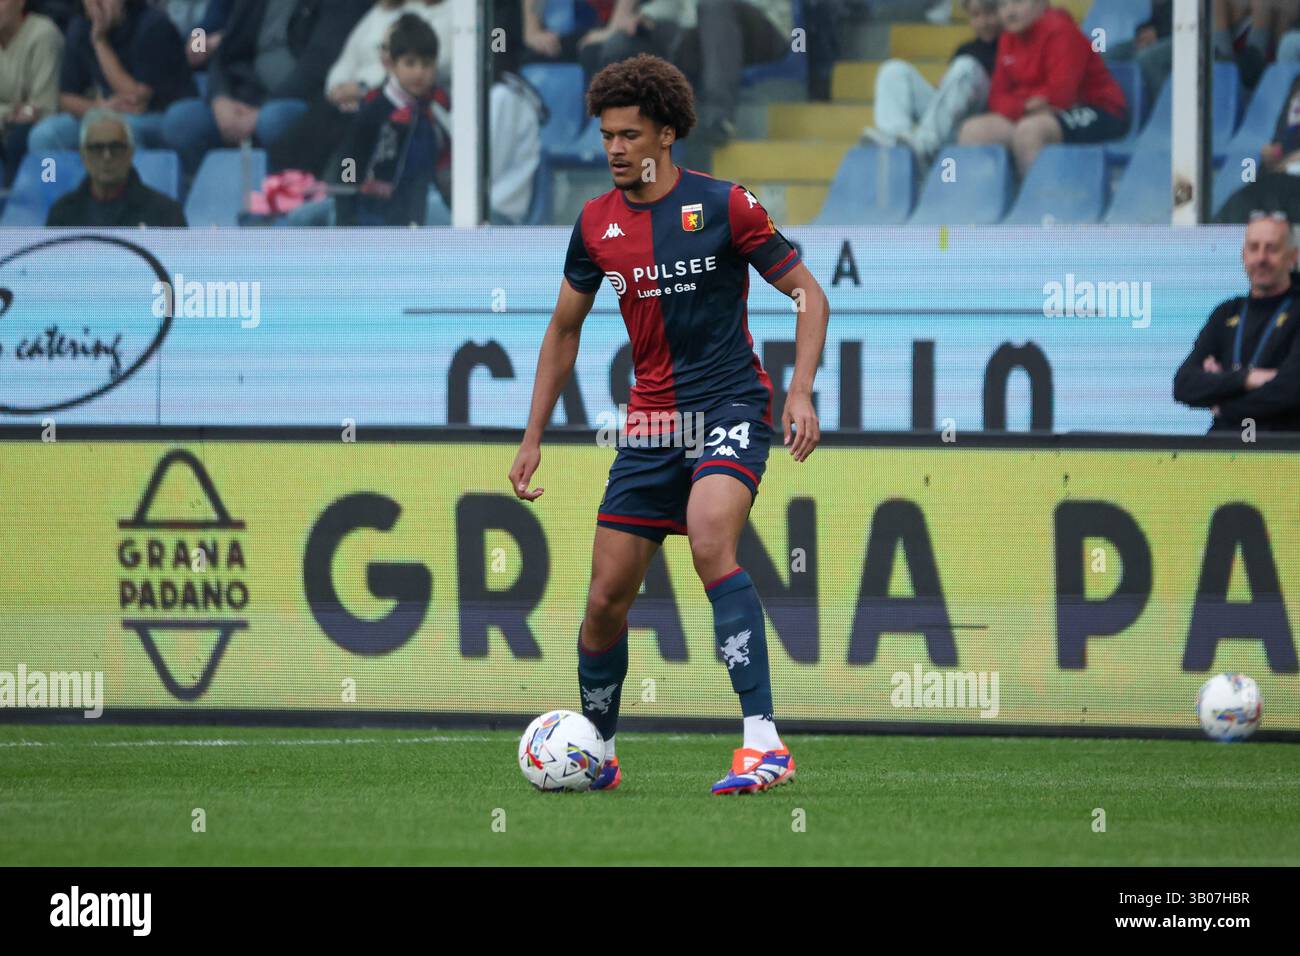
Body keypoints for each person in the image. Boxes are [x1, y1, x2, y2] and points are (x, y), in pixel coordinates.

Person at [507, 53, 829, 795]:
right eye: (606, 136)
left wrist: (802, 389)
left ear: (667, 134)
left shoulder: (726, 207)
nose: (616, 149)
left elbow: (808, 294)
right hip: (652, 424)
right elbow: (563, 331)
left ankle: (763, 744)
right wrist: (532, 436)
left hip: (730, 407)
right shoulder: (594, 226)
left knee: (713, 538)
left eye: (629, 134)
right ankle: (599, 750)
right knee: (604, 599)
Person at [161, 0, 369, 173]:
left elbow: (318, 64)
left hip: (302, 103)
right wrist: (220, 99)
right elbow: (222, 49)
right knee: (181, 121)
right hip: (243, 95)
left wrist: (259, 114)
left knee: (274, 119)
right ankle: (214, 203)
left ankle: (279, 202)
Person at [957, 0, 1128, 177]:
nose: (1009, 12)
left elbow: (1061, 95)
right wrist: (1023, 106)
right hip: (1033, 113)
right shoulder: (1008, 38)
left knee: (1030, 132)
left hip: (1099, 109)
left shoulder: (1062, 31)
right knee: (973, 131)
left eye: (1017, 2)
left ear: (1041, 3)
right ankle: (984, 204)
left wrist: (1022, 102)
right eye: (1002, 5)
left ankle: (1039, 201)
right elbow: (996, 96)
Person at [1174, 212, 1300, 432]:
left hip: (1282, 454)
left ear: (1293, 256)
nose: (1261, 258)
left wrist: (1224, 403)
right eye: (1253, 248)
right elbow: (1184, 385)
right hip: (1223, 449)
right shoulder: (1226, 313)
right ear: (1243, 255)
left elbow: (1291, 389)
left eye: (1272, 249)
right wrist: (1247, 379)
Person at [28, 0, 195, 153]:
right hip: (109, 113)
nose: (96, 3)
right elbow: (65, 98)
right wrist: (99, 108)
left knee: (119, 129)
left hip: (162, 118)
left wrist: (100, 41)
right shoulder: (80, 26)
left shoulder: (153, 25)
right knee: (45, 135)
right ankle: (55, 183)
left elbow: (135, 100)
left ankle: (133, 184)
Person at [860, 0, 1000, 166]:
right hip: (949, 119)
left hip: (980, 116)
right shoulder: (964, 49)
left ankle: (923, 145)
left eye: (990, 13)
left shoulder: (1010, 45)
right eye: (976, 15)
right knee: (893, 70)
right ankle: (893, 138)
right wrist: (945, 85)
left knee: (966, 66)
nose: (983, 22)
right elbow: (948, 95)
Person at [332, 12, 440, 226]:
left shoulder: (431, 114)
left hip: (413, 223)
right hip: (368, 222)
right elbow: (348, 162)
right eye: (410, 63)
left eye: (427, 64)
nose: (419, 72)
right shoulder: (373, 111)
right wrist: (347, 221)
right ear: (391, 63)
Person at [46, 107, 186, 224]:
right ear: (83, 155)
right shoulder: (63, 214)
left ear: (130, 153)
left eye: (116, 147)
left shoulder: (165, 214)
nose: (107, 156)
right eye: (97, 148)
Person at [1215, 73, 1300, 222]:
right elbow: (1281, 141)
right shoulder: (1298, 84)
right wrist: (1273, 155)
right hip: (1281, 177)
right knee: (1241, 204)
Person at [0, 0, 64, 188]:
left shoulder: (43, 34)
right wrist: (9, 113)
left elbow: (43, 107)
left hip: (40, 126)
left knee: (22, 136)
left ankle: (17, 207)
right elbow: (21, 112)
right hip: (8, 122)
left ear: (20, 2)